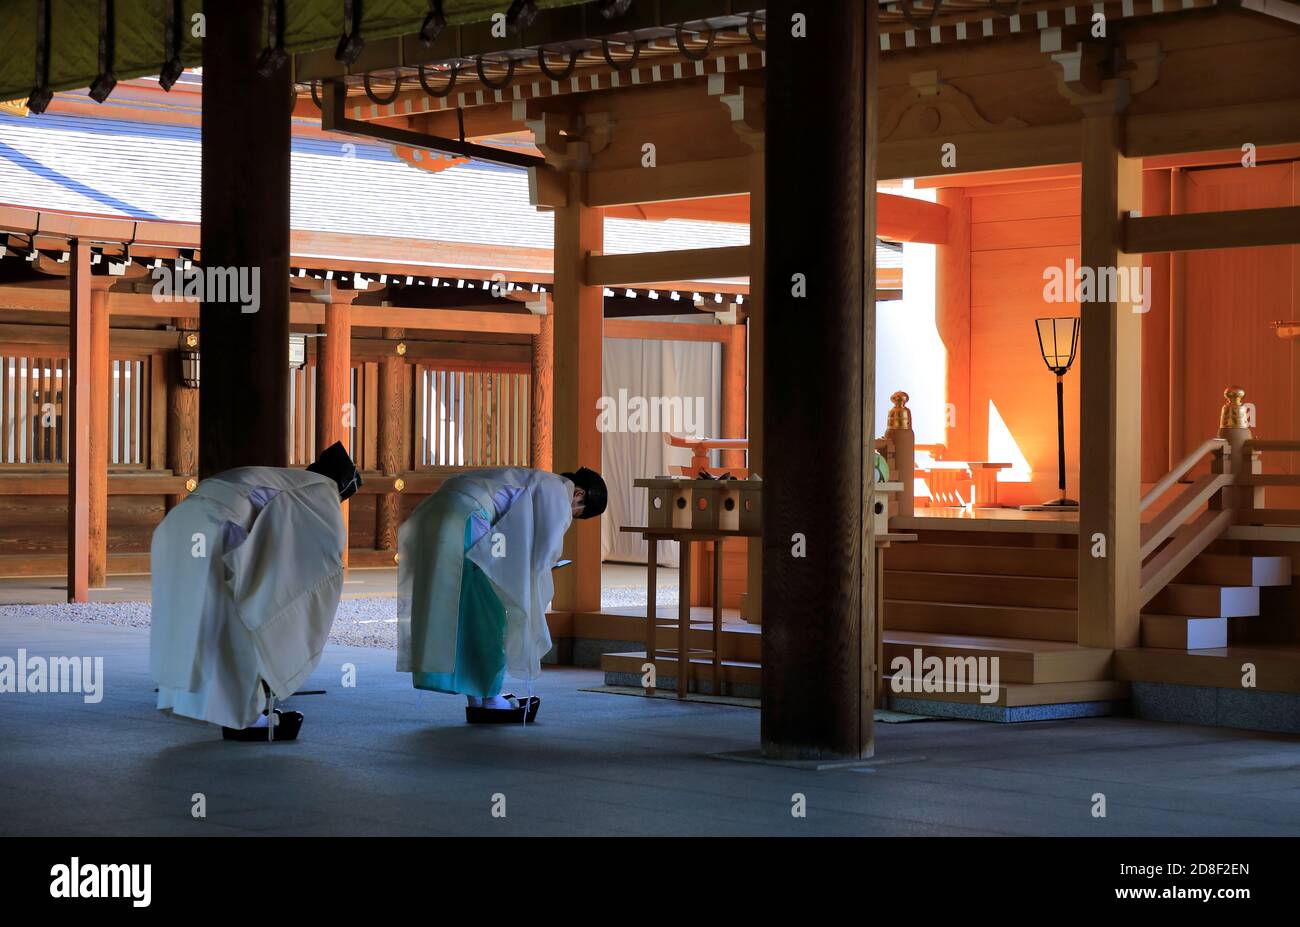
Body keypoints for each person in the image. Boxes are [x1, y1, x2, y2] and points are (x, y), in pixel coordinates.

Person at [149, 442, 360, 741]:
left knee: (195, 621)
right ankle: (246, 720)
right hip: (217, 531)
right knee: (241, 623)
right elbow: (320, 562)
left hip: (176, 527)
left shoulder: (286, 479)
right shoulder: (319, 491)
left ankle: (190, 700)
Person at [397, 466, 607, 723]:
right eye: (577, 513)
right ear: (578, 494)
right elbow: (543, 551)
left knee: (456, 607)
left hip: (434, 512)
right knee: (489, 609)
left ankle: (475, 693)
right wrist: (539, 573)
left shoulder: (531, 477)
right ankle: (489, 696)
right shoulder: (558, 489)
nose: (571, 516)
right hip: (467, 518)